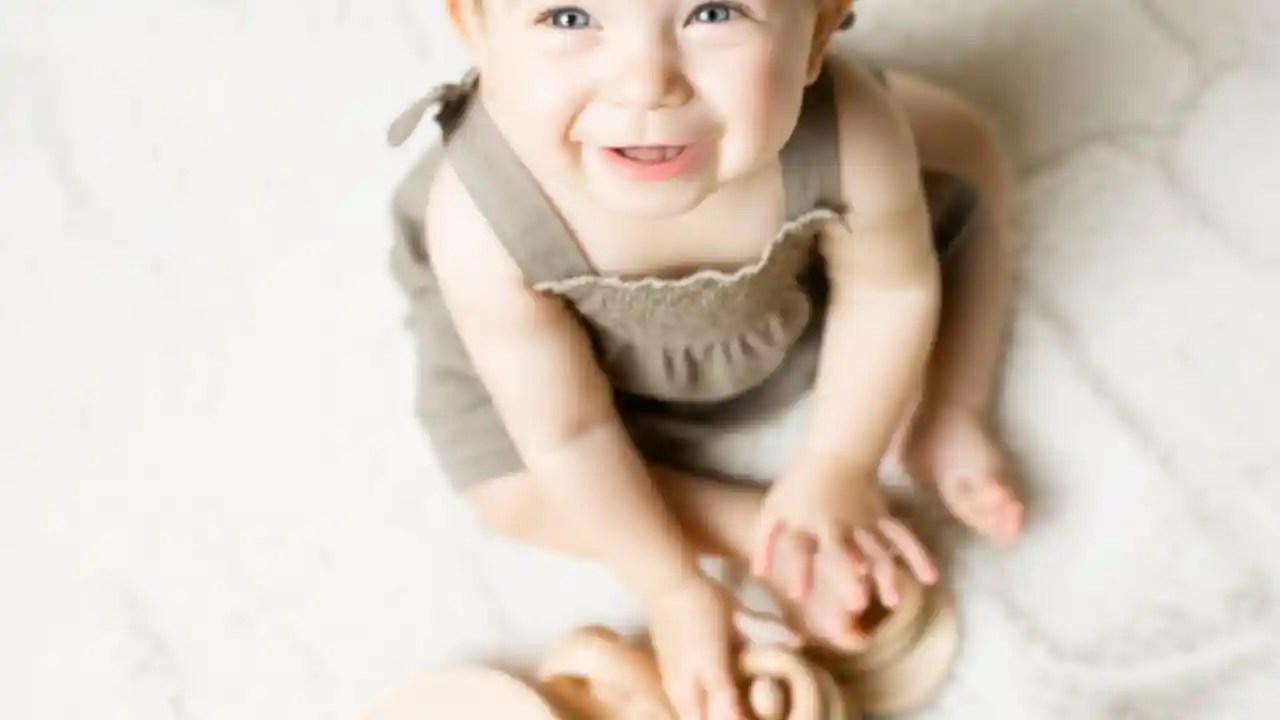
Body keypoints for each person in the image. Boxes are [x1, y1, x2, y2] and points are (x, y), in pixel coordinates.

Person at [387, 1, 1023, 717]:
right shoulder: (479, 220)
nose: (647, 82)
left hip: (775, 310)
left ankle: (949, 415)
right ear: (477, 34)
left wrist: (837, 465)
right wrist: (672, 587)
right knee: (507, 488)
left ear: (817, 30)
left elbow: (891, 290)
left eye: (712, 12)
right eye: (569, 17)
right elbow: (571, 432)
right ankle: (761, 531)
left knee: (961, 146)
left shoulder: (850, 133)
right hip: (553, 371)